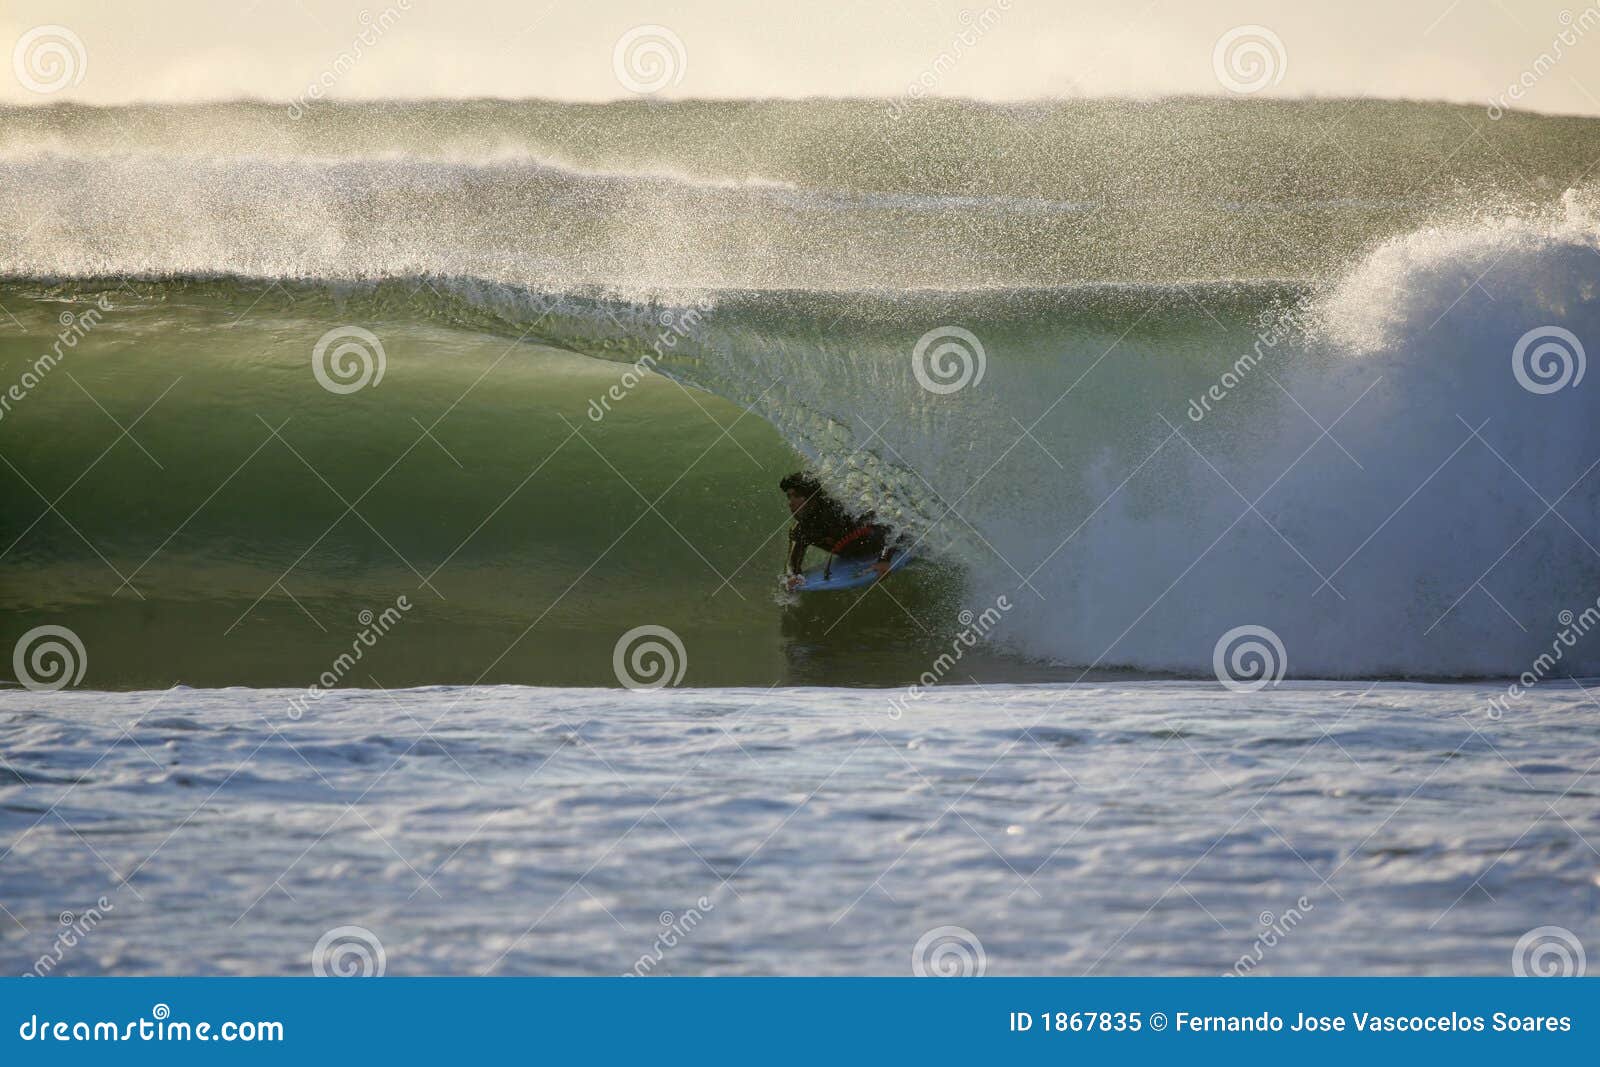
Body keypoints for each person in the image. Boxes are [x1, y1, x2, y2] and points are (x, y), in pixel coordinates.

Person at [780, 472, 899, 589]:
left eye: (796, 496)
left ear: (813, 498)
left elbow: (889, 526)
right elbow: (792, 563)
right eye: (789, 497)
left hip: (882, 545)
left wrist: (884, 559)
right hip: (853, 554)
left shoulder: (839, 512)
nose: (790, 503)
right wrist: (793, 577)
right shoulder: (800, 529)